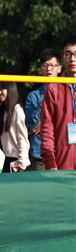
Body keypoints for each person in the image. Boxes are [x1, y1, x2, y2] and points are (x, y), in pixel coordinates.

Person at [41, 34, 76, 170]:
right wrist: (50, 163)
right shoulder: (53, 89)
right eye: (68, 54)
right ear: (62, 58)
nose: (73, 59)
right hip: (61, 163)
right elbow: (46, 130)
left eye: (75, 54)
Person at [25, 49, 62, 171]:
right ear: (40, 69)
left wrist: (45, 125)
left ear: (59, 68)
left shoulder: (68, 92)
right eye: (45, 65)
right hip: (39, 153)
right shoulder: (33, 96)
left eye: (52, 65)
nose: (49, 69)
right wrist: (43, 103)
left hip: (62, 151)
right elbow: (31, 125)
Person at [0, 82, 30, 172]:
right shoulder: (3, 111)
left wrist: (22, 162)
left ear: (10, 90)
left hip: (18, 160)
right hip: (7, 159)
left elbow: (23, 138)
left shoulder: (17, 110)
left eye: (2, 89)